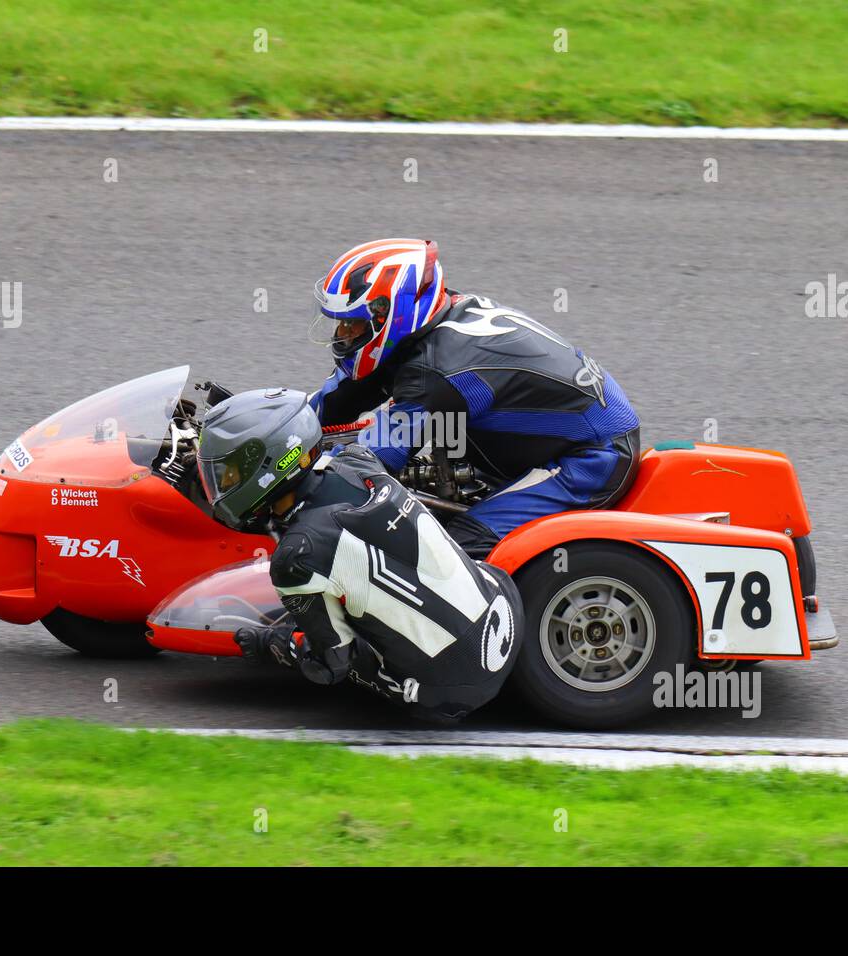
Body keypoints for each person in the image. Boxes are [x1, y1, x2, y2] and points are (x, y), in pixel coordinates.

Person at [195, 387, 523, 724]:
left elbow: (332, 665)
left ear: (268, 464)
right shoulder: (357, 460)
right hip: (505, 606)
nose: (222, 483)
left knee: (326, 653)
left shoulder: (297, 555)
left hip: (450, 692)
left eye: (228, 472)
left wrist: (270, 642)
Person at [309, 238, 641, 558]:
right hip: (541, 438)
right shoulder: (430, 320)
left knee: (452, 550)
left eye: (352, 325)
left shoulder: (438, 372)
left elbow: (366, 462)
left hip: (590, 458)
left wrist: (304, 481)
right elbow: (337, 399)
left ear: (390, 313)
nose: (343, 336)